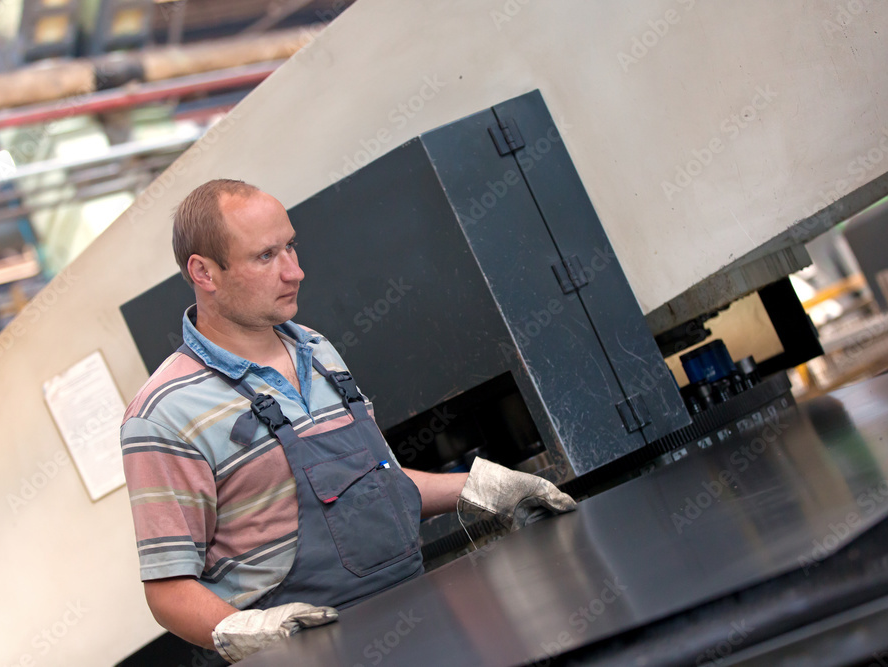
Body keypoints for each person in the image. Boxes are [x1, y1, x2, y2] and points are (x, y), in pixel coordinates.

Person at [120, 179, 576, 664]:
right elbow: (167, 589)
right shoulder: (164, 413)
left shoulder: (317, 352)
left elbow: (373, 489)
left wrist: (478, 487)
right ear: (204, 272)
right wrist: (244, 630)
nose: (294, 272)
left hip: (418, 622)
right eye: (265, 256)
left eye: (291, 246)